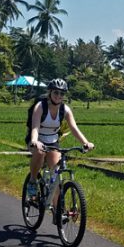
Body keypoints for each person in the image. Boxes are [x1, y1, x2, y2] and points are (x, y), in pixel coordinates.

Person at [26, 79, 95, 224]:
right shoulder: (40, 106)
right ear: (50, 92)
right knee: (39, 153)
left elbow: (74, 128)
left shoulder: (65, 109)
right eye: (56, 92)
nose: (58, 96)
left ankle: (57, 211)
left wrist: (85, 142)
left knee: (56, 173)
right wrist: (35, 141)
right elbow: (35, 127)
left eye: (61, 93)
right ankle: (32, 180)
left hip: (53, 141)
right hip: (37, 139)